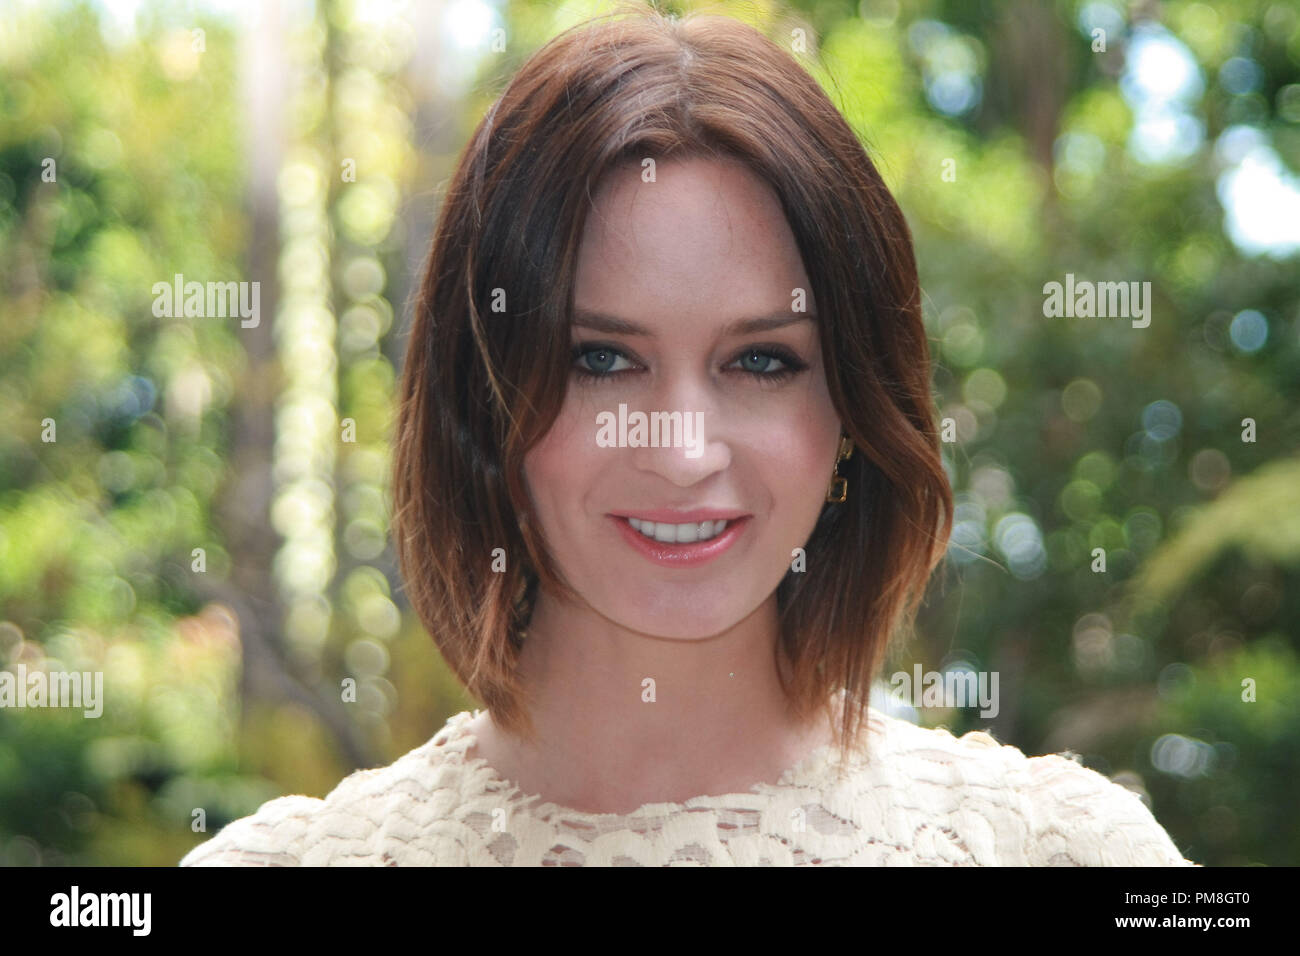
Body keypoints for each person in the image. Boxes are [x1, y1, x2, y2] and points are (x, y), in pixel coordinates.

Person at [182, 6, 1196, 866]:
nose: (680, 449)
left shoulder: (1065, 852)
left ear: (854, 407)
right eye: (601, 360)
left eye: (761, 361)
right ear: (481, 394)